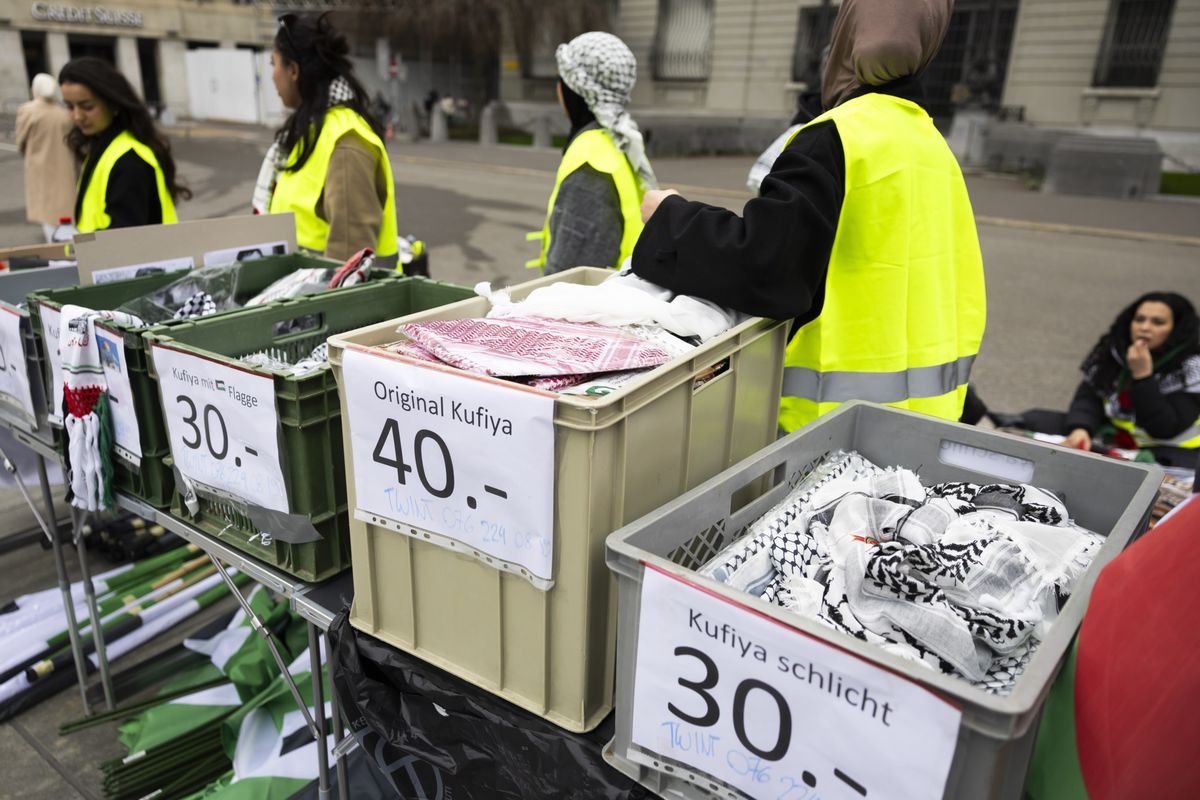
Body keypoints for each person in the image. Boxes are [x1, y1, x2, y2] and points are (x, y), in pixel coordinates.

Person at [632, 0, 985, 433]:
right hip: (920, 434)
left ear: (848, 37)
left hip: (824, 437)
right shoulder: (933, 146)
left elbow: (764, 267)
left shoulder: (835, 136)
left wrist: (669, 217)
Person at [265, 12, 399, 266]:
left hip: (326, 304)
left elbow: (347, 275)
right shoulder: (312, 132)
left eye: (274, 63)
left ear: (293, 70)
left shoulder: (345, 143)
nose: (272, 74)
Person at [1015, 292, 1199, 467]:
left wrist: (1143, 377)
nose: (1145, 327)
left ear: (1178, 329)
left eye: (1158, 322)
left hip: (1167, 449)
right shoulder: (1115, 352)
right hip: (1115, 436)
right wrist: (1082, 428)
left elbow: (1164, 427)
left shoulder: (1192, 368)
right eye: (1139, 319)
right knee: (1032, 419)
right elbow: (1089, 396)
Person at [526, 31, 656, 274]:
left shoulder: (591, 161)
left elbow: (571, 278)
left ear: (574, 90)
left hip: (597, 308)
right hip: (621, 301)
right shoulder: (618, 143)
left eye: (560, 80)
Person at [59, 58, 188, 233]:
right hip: (101, 258)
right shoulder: (105, 145)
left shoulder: (128, 160)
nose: (77, 116)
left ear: (113, 103)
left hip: (125, 259)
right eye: (69, 106)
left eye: (87, 106)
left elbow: (123, 241)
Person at [15, 73, 76, 242]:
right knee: (65, 205)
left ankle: (54, 245)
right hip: (65, 165)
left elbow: (21, 141)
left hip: (39, 166)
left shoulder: (27, 110)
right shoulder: (64, 113)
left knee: (46, 208)